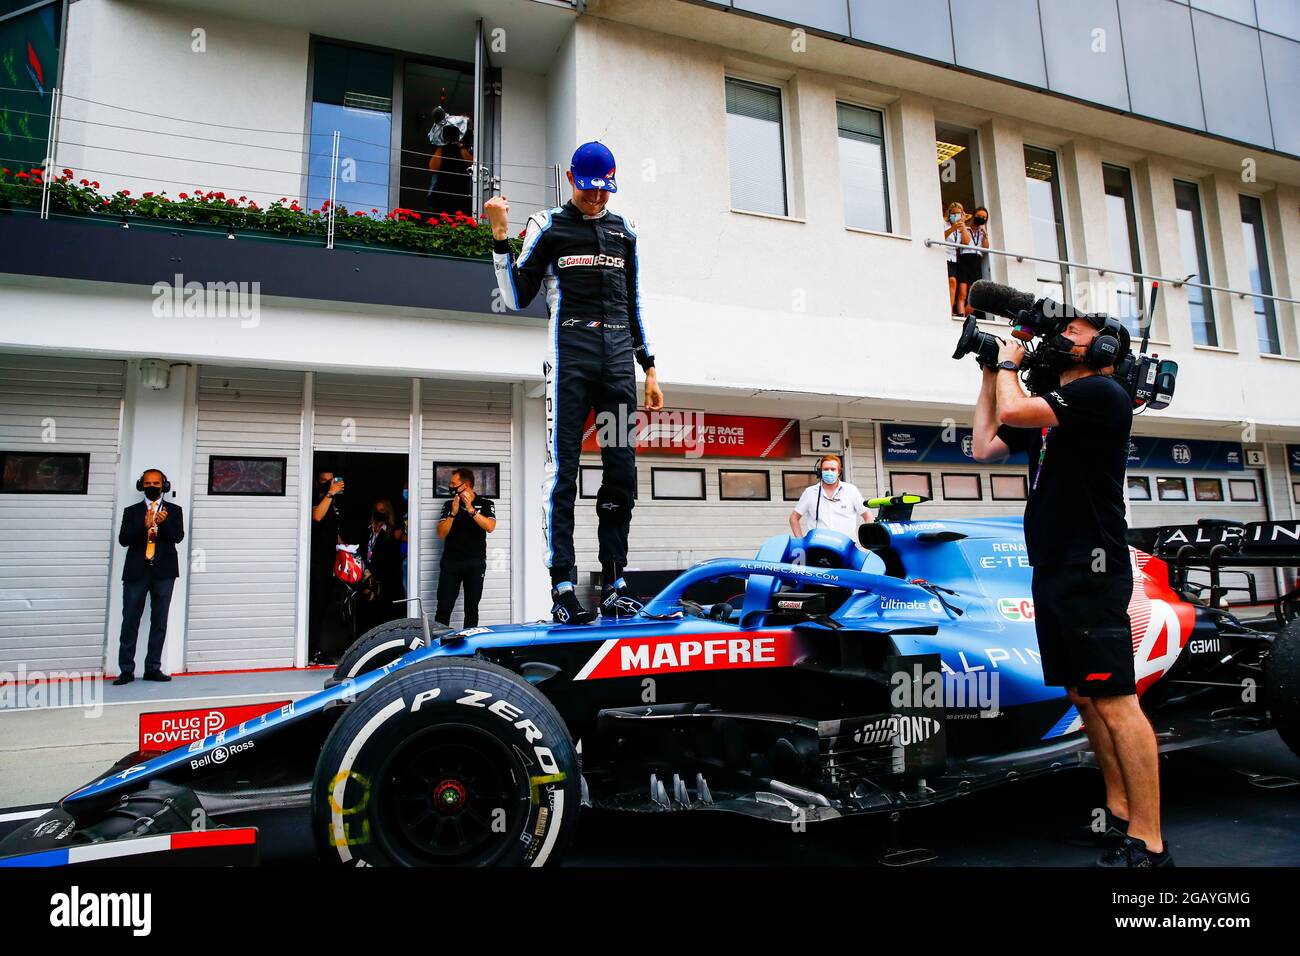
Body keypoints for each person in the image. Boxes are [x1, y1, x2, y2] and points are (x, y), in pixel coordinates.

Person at [971, 315, 1171, 867]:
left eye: (1076, 331)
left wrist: (1010, 361)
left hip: (1092, 567)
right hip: (1054, 566)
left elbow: (1014, 408)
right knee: (1085, 696)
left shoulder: (1102, 393)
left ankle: (1150, 843)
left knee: (1115, 699)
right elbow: (984, 444)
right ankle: (1118, 814)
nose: (1064, 337)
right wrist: (990, 369)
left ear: (1104, 347)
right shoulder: (1056, 407)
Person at [485, 141, 665, 623]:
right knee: (562, 472)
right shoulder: (548, 225)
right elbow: (517, 294)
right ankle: (562, 587)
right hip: (569, 358)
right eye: (588, 191)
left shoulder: (624, 232)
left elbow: (634, 303)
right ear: (570, 179)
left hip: (618, 366)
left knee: (622, 472)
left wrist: (648, 365)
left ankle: (615, 581)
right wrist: (501, 238)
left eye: (604, 191)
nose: (596, 200)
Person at [114, 469, 185, 685]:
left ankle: (153, 667)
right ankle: (126, 669)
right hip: (137, 572)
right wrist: (143, 526)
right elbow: (124, 540)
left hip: (164, 573)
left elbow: (178, 537)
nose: (152, 486)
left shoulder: (174, 510)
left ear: (164, 485)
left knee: (159, 621)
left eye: (156, 483)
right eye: (147, 483)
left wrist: (161, 524)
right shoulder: (132, 511)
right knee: (130, 621)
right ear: (141, 485)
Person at [434, 468, 497, 629]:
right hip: (451, 563)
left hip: (475, 563)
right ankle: (438, 647)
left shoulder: (485, 503)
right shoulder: (449, 505)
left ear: (466, 484)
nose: (450, 486)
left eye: (453, 483)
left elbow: (490, 527)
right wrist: (453, 513)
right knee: (443, 608)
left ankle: (469, 650)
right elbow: (441, 533)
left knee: (471, 609)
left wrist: (471, 510)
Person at [789, 455, 871, 540]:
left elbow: (868, 516)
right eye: (826, 469)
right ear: (820, 472)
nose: (829, 472)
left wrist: (867, 539)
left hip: (846, 547)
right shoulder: (810, 492)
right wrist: (801, 542)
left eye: (833, 469)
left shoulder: (851, 490)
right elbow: (793, 518)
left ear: (839, 472)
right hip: (818, 546)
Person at [309, 469, 344, 663]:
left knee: (325, 606)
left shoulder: (335, 503)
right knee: (315, 606)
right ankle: (311, 648)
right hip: (316, 562)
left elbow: (334, 530)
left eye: (333, 480)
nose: (329, 484)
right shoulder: (314, 497)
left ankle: (318, 646)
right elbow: (317, 517)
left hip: (331, 561)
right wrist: (330, 493)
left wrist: (345, 550)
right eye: (325, 481)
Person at [357, 498, 404, 636]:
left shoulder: (394, 531)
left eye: (382, 511)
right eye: (377, 511)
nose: (379, 513)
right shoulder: (367, 531)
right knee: (367, 617)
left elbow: (393, 555)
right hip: (368, 579)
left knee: (387, 617)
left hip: (388, 581)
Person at [427, 124, 474, 217]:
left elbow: (472, 164)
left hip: (462, 192)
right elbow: (433, 167)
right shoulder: (441, 145)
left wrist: (460, 145)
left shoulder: (468, 143)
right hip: (441, 192)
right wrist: (441, 144)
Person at [959, 206, 990, 315]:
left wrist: (985, 232)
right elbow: (965, 241)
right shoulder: (965, 229)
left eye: (984, 217)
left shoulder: (982, 234)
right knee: (962, 293)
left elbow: (985, 248)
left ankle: (965, 315)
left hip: (976, 262)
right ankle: (961, 316)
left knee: (974, 295)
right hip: (965, 259)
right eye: (979, 216)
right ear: (974, 215)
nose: (981, 218)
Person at [943, 202, 972, 316]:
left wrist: (963, 225)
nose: (955, 216)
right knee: (952, 281)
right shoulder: (944, 223)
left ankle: (951, 310)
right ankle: (949, 310)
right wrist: (952, 228)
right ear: (949, 213)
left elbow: (966, 242)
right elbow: (941, 236)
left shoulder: (961, 227)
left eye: (958, 214)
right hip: (944, 256)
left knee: (953, 283)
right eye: (953, 214)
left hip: (954, 259)